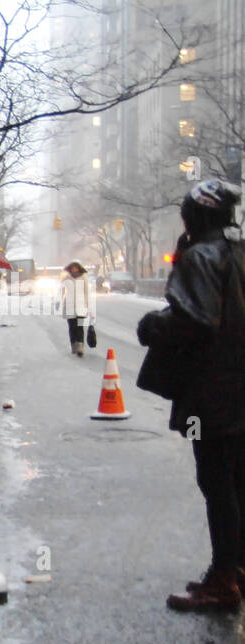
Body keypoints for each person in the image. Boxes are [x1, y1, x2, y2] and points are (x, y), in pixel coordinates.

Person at [137, 179, 245, 612]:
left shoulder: (202, 256)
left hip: (212, 392)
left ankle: (223, 579)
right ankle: (234, 569)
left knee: (217, 480)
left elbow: (195, 323)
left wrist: (153, 325)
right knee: (236, 480)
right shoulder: (235, 252)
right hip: (235, 389)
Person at [60, 259, 94, 357]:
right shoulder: (67, 278)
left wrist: (88, 305)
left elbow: (87, 293)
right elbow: (62, 290)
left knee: (79, 327)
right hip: (69, 306)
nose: (74, 270)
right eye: (72, 268)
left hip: (81, 306)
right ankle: (74, 345)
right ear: (70, 269)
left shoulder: (84, 278)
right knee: (72, 327)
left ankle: (80, 347)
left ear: (79, 268)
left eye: (76, 268)